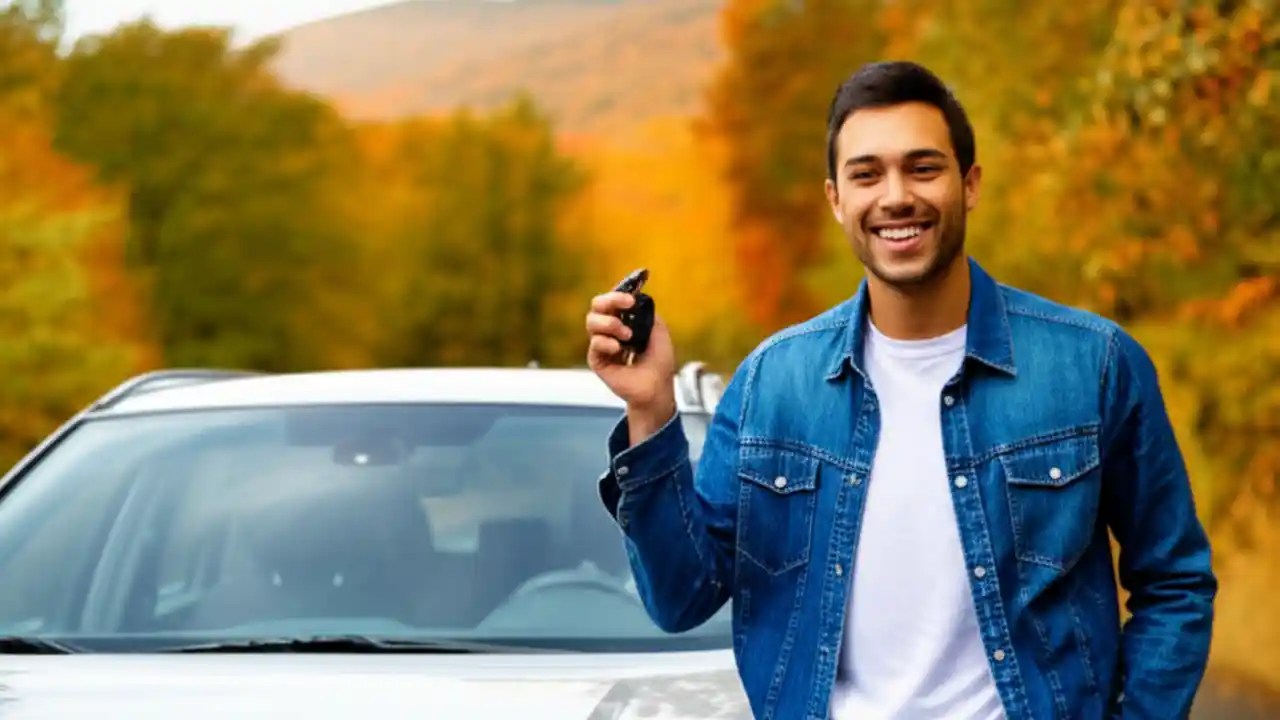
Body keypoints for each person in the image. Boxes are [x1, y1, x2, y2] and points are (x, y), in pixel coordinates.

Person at [583, 60, 1217, 720]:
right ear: (836, 199)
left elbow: (1174, 579)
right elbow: (682, 597)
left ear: (968, 185)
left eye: (923, 168)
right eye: (867, 174)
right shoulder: (775, 384)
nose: (896, 196)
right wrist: (650, 409)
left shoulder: (1095, 366)